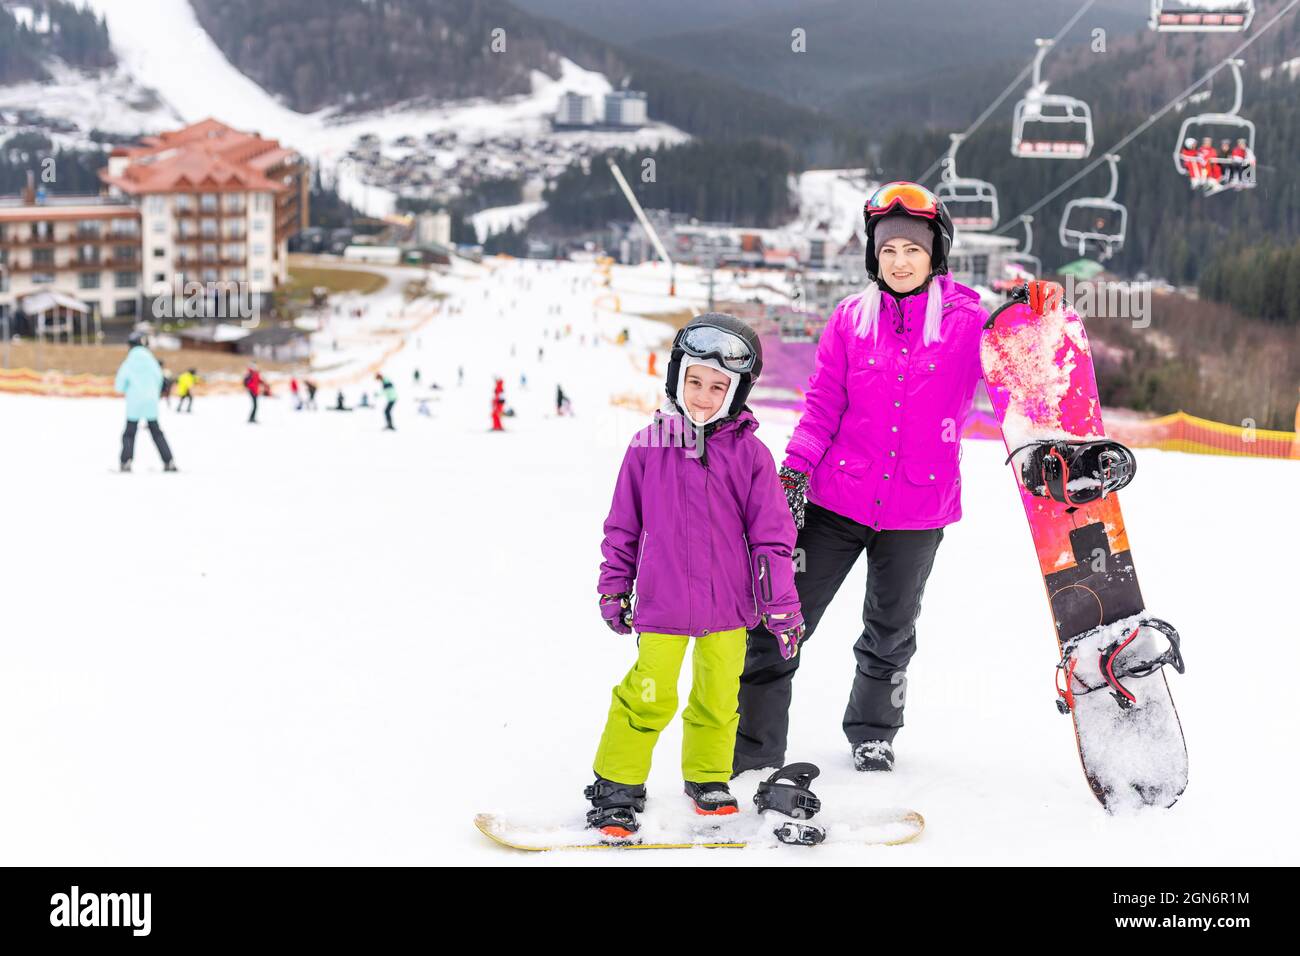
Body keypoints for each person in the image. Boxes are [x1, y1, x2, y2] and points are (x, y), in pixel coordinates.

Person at [734, 181, 993, 777]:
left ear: (936, 253)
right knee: (781, 621)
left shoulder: (967, 321)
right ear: (873, 256)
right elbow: (822, 407)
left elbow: (1019, 352)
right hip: (835, 501)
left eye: (913, 250)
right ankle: (753, 744)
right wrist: (793, 471)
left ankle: (875, 733)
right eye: (888, 250)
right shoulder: (851, 320)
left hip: (918, 513)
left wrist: (1037, 308)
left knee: (891, 631)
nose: (899, 261)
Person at [586, 313, 803, 838]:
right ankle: (617, 784)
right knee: (647, 693)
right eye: (695, 382)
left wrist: (781, 607)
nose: (704, 396)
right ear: (677, 380)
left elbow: (773, 540)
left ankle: (707, 777)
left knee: (717, 698)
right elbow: (623, 528)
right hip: (662, 605)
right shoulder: (647, 447)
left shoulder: (751, 456)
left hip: (728, 609)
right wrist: (615, 588)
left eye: (718, 386)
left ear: (736, 391)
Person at [114, 331, 177, 473]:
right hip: (150, 402)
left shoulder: (129, 361)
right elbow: (159, 378)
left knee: (130, 432)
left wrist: (128, 389)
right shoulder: (151, 360)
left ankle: (126, 461)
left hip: (134, 402)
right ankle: (169, 461)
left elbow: (119, 385)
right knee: (156, 432)